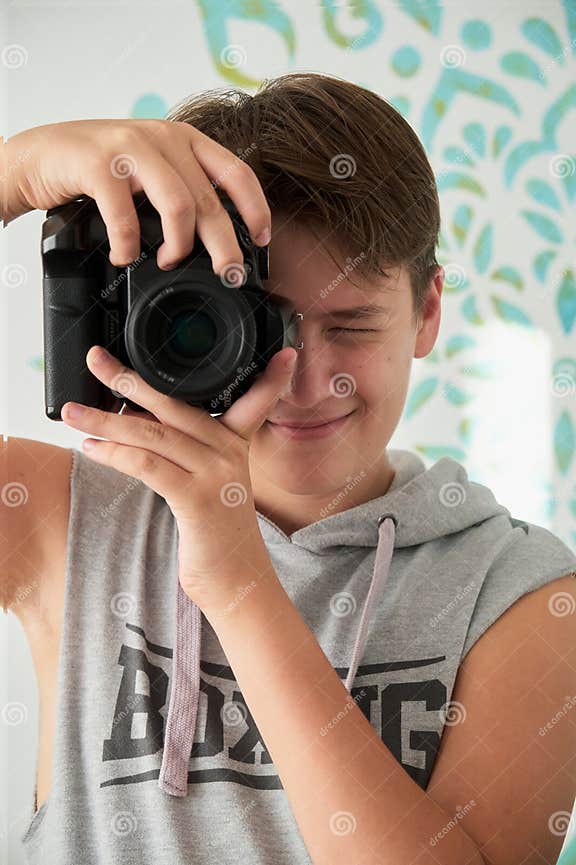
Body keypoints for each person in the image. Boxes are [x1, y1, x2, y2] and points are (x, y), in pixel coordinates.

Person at [2, 71, 575, 865]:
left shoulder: (524, 595)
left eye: (352, 325)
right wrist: (18, 171)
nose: (305, 381)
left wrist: (239, 584)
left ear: (427, 312)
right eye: (255, 323)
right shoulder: (67, 517)